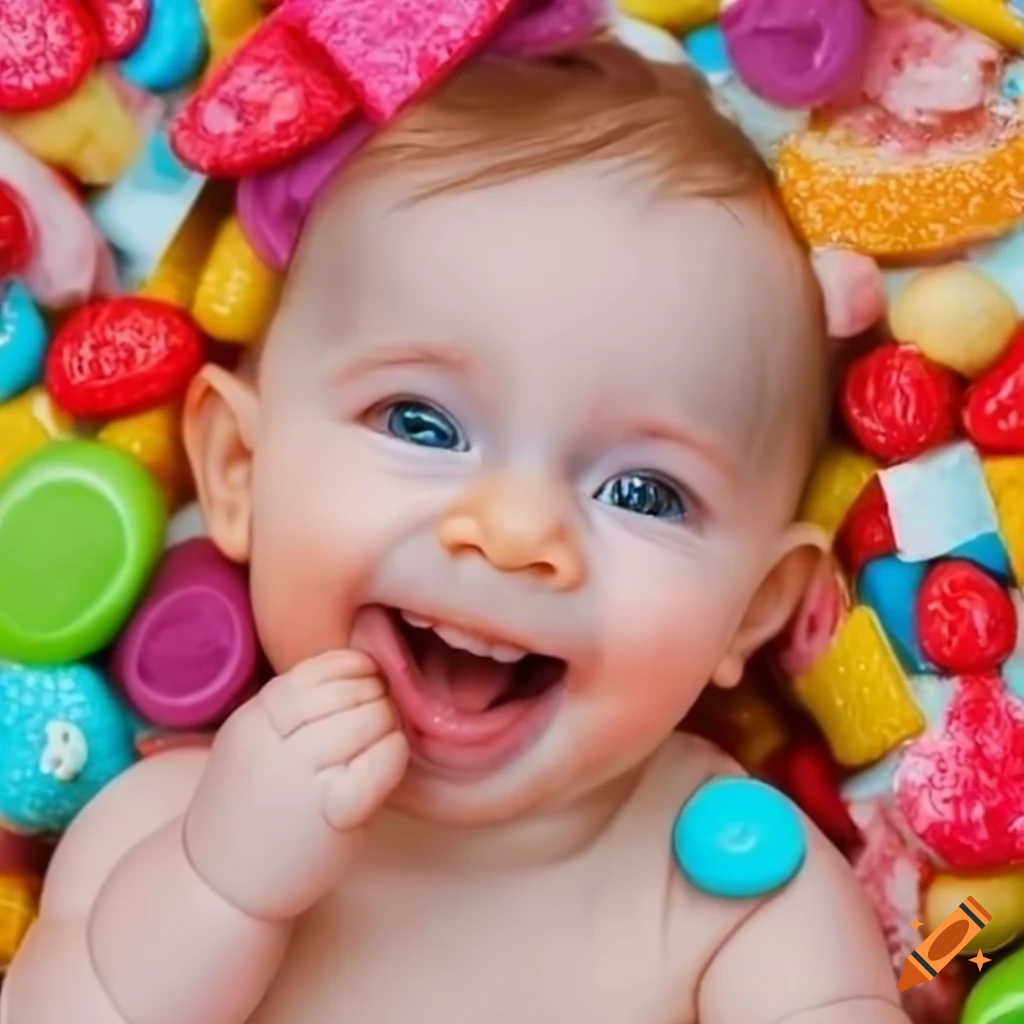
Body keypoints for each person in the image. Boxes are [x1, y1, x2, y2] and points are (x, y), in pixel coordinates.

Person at [3, 42, 907, 1024]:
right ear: (240, 472)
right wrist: (219, 890)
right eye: (420, 424)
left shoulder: (734, 893)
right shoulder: (164, 826)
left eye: (643, 493)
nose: (514, 533)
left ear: (751, 609)